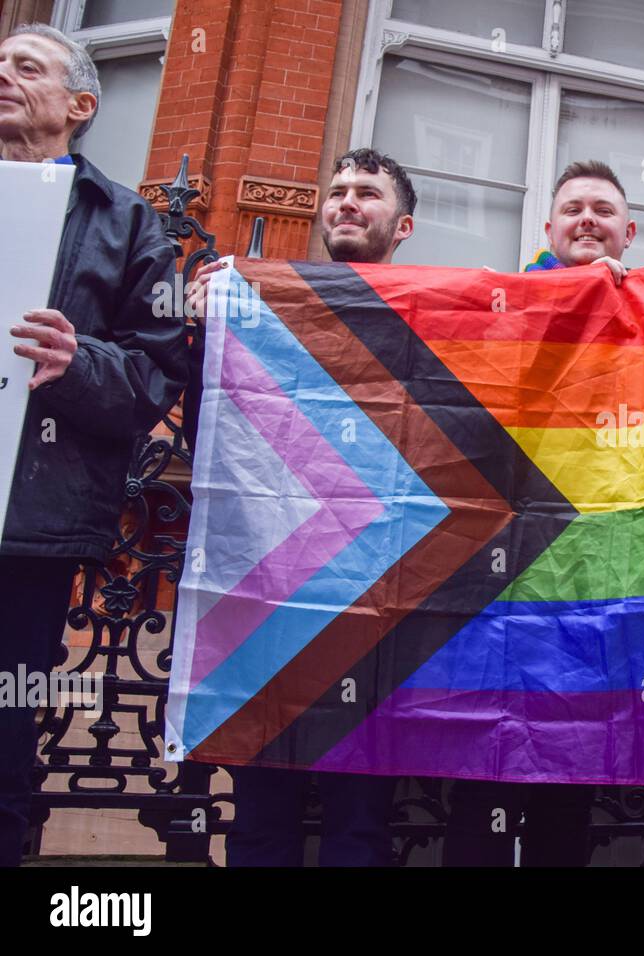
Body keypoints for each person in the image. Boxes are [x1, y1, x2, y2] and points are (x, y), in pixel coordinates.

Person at [188, 148, 417, 866]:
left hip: (380, 599)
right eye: (338, 190)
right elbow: (211, 435)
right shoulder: (269, 299)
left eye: (368, 194)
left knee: (358, 820)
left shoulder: (428, 310)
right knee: (261, 814)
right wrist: (204, 333)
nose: (347, 202)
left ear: (403, 225)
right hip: (272, 594)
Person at [0, 24, 188, 867]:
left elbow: (160, 373)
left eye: (23, 67)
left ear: (80, 105)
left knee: (5, 735)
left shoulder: (129, 223)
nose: (2, 75)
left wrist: (79, 363)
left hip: (29, 527)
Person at [440, 160, 634, 867]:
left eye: (603, 210)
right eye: (573, 208)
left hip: (593, 582)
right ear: (548, 227)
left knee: (571, 781)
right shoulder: (502, 303)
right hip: (496, 579)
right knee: (482, 776)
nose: (587, 219)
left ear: (628, 231)